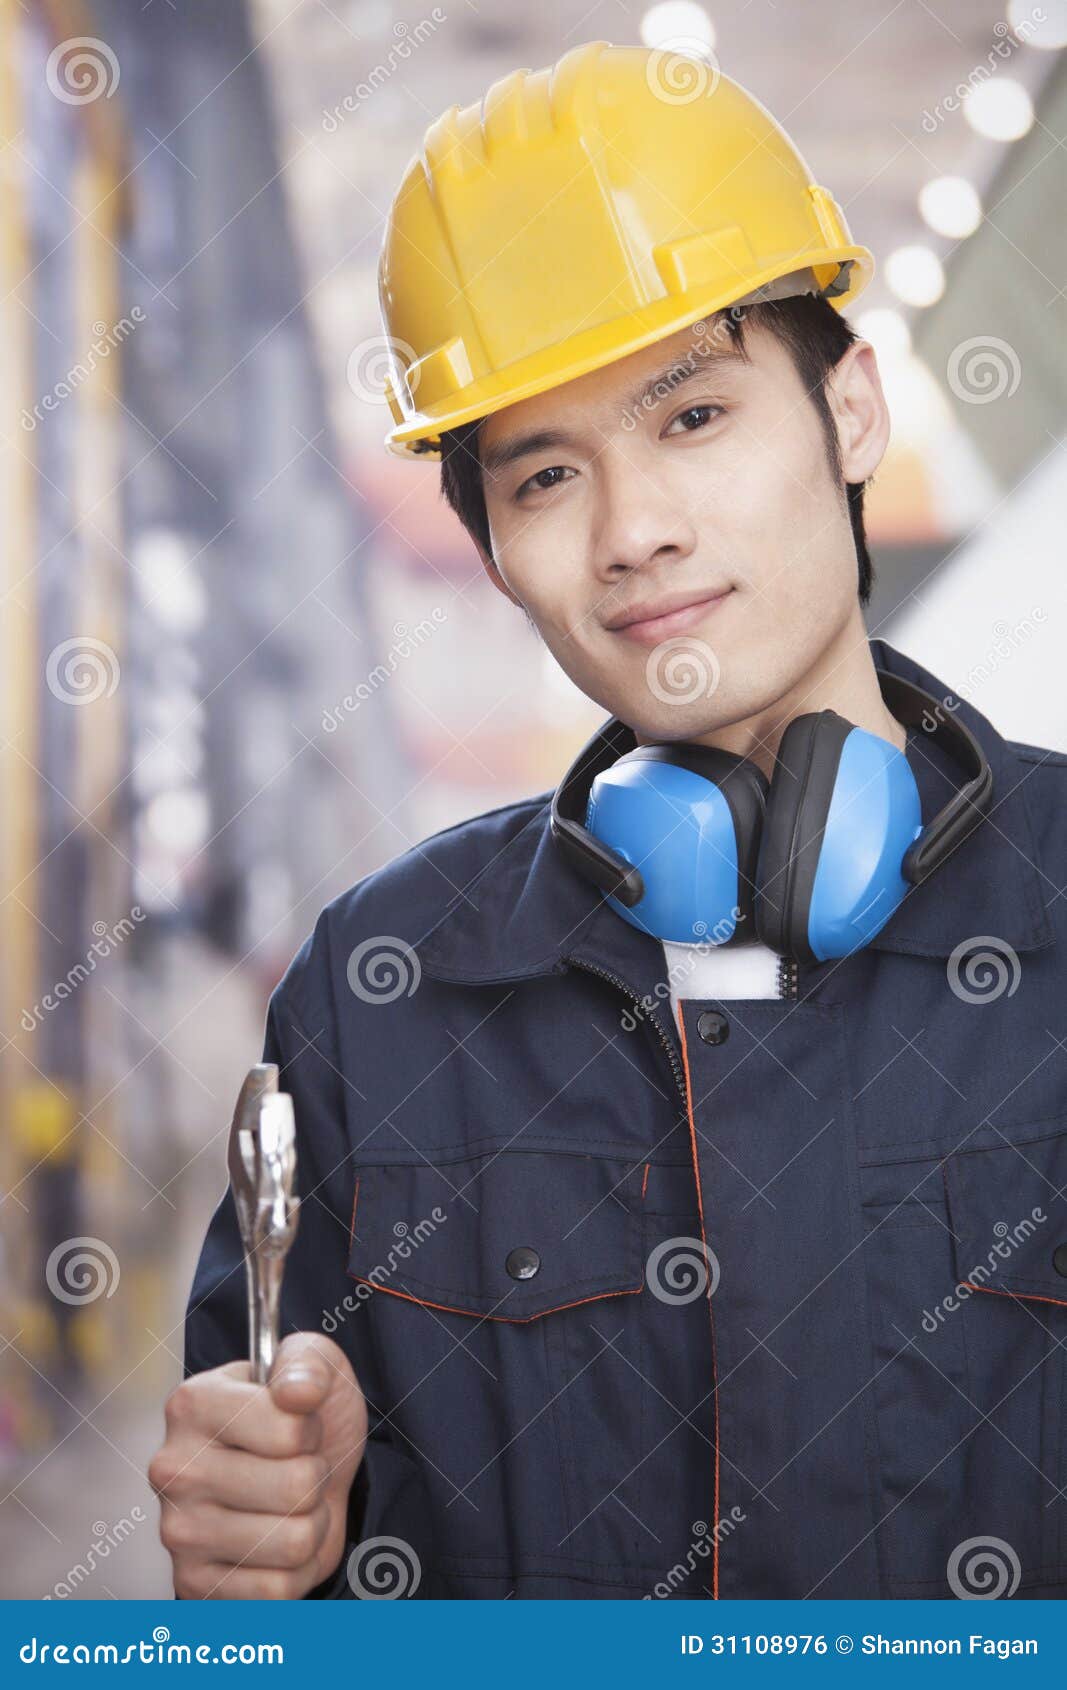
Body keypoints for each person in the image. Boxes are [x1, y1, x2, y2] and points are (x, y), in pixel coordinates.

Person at [151, 41, 1067, 1601]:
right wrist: (278, 1554)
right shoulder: (382, 1001)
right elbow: (295, 1577)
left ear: (850, 409)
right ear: (497, 550)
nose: (635, 528)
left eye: (695, 416)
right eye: (547, 473)